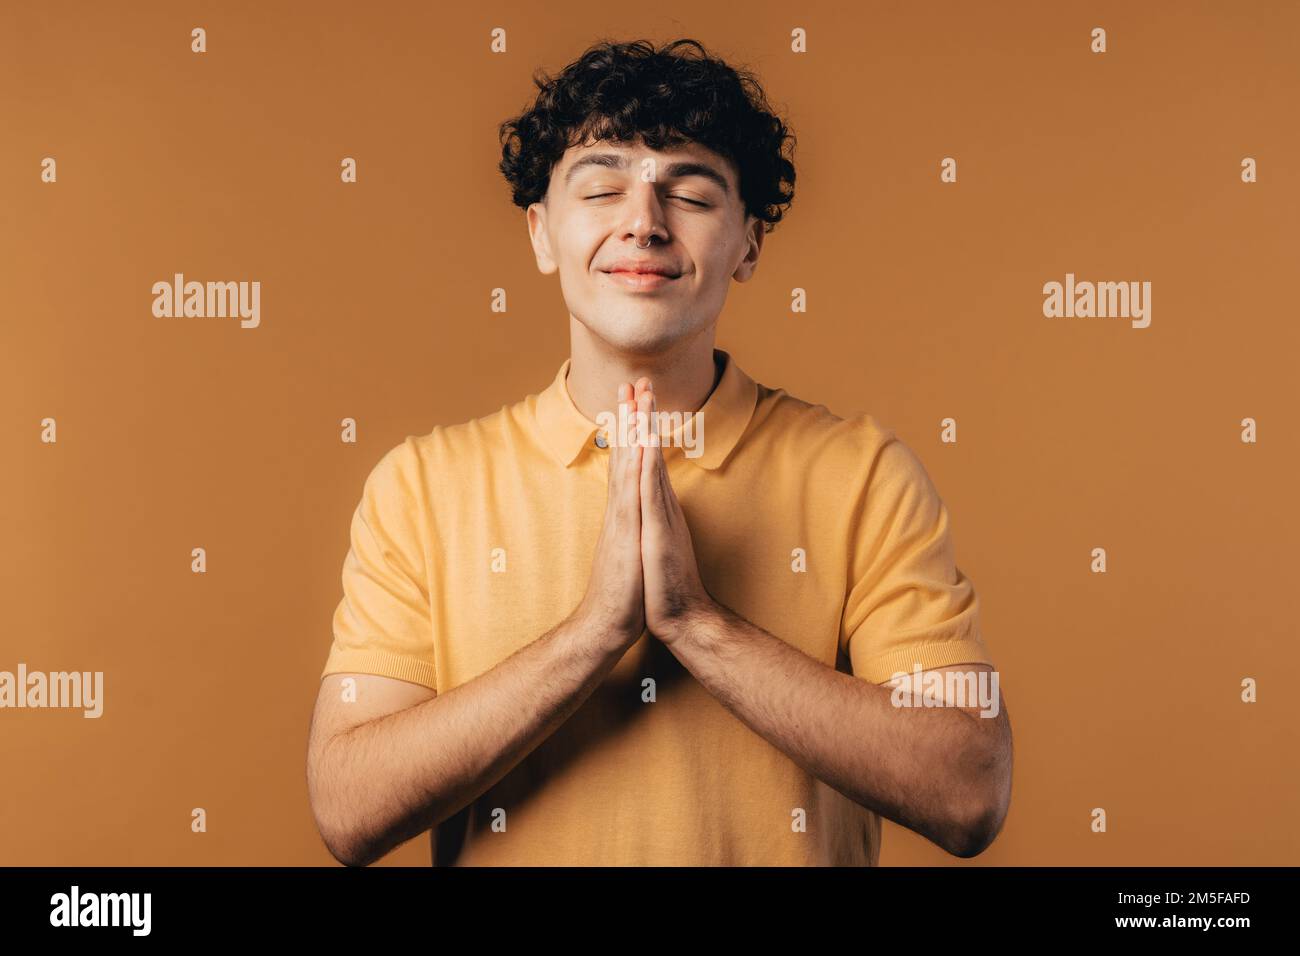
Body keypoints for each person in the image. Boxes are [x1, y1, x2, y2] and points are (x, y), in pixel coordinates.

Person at [306, 37, 1012, 866]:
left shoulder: (861, 476)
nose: (642, 222)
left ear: (749, 245)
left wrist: (696, 624)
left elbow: (971, 789)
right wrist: (592, 634)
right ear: (541, 235)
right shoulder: (421, 488)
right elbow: (347, 809)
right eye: (602, 187)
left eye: (692, 194)